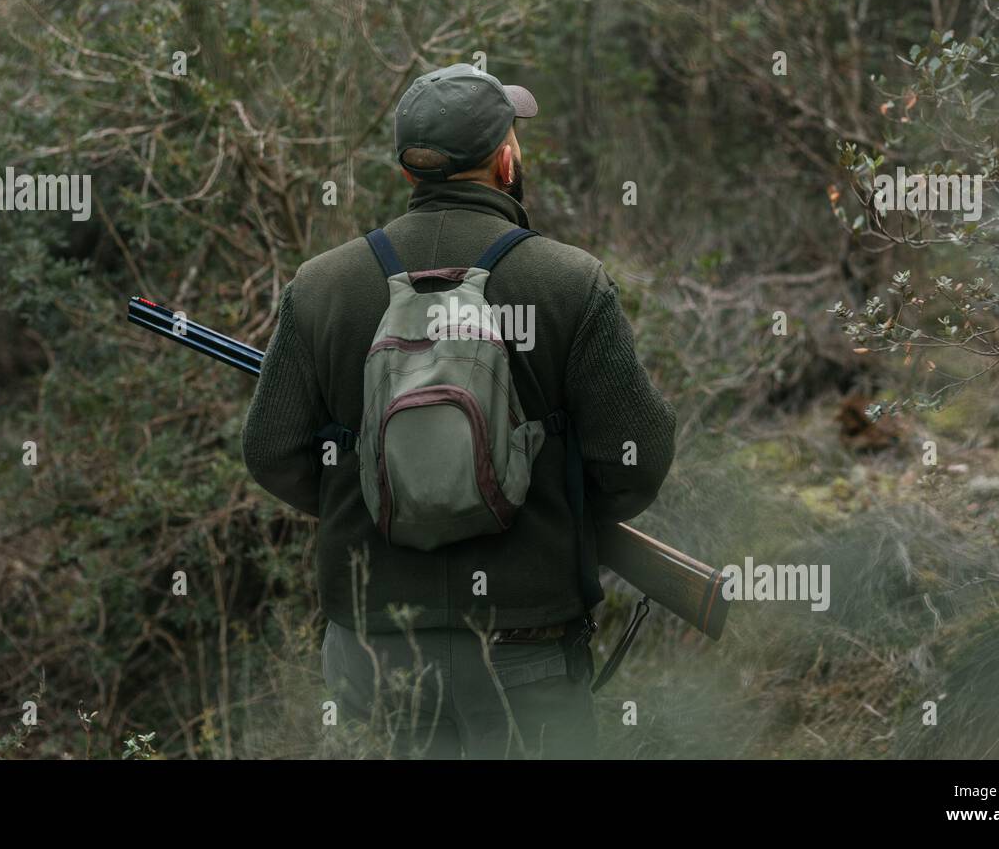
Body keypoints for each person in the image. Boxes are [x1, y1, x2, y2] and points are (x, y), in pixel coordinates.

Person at [241, 62, 675, 758]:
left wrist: (389, 490)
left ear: (413, 171)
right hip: (523, 647)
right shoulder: (570, 283)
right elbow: (638, 458)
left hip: (376, 645)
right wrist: (553, 510)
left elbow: (270, 449)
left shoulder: (321, 287)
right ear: (505, 158)